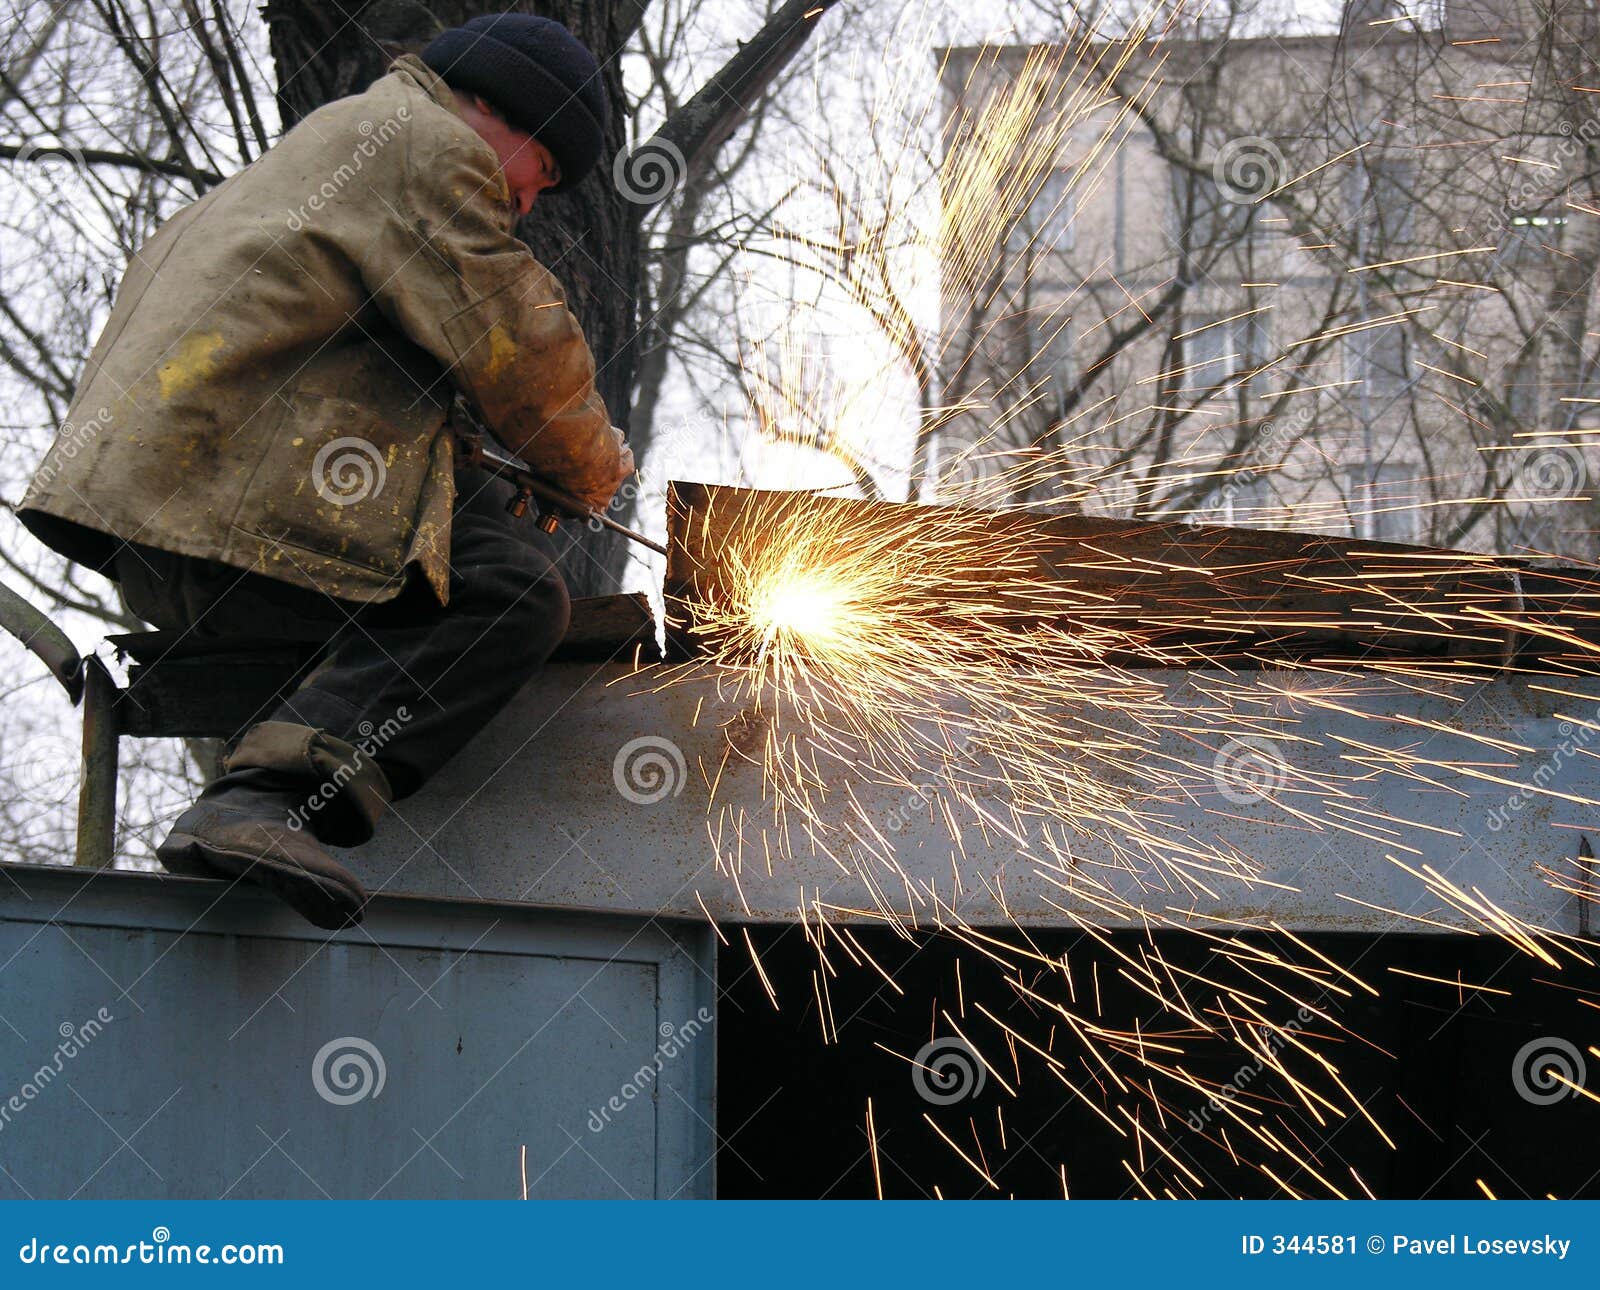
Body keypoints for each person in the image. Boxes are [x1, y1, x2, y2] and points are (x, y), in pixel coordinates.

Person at [17, 13, 633, 929]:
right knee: (508, 592)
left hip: (163, 516)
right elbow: (520, 346)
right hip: (225, 506)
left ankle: (268, 789)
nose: (530, 206)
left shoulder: (338, 142)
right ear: (503, 116)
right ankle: (259, 805)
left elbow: (336, 360)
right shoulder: (433, 149)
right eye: (539, 177)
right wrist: (591, 466)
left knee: (474, 537)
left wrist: (473, 467)